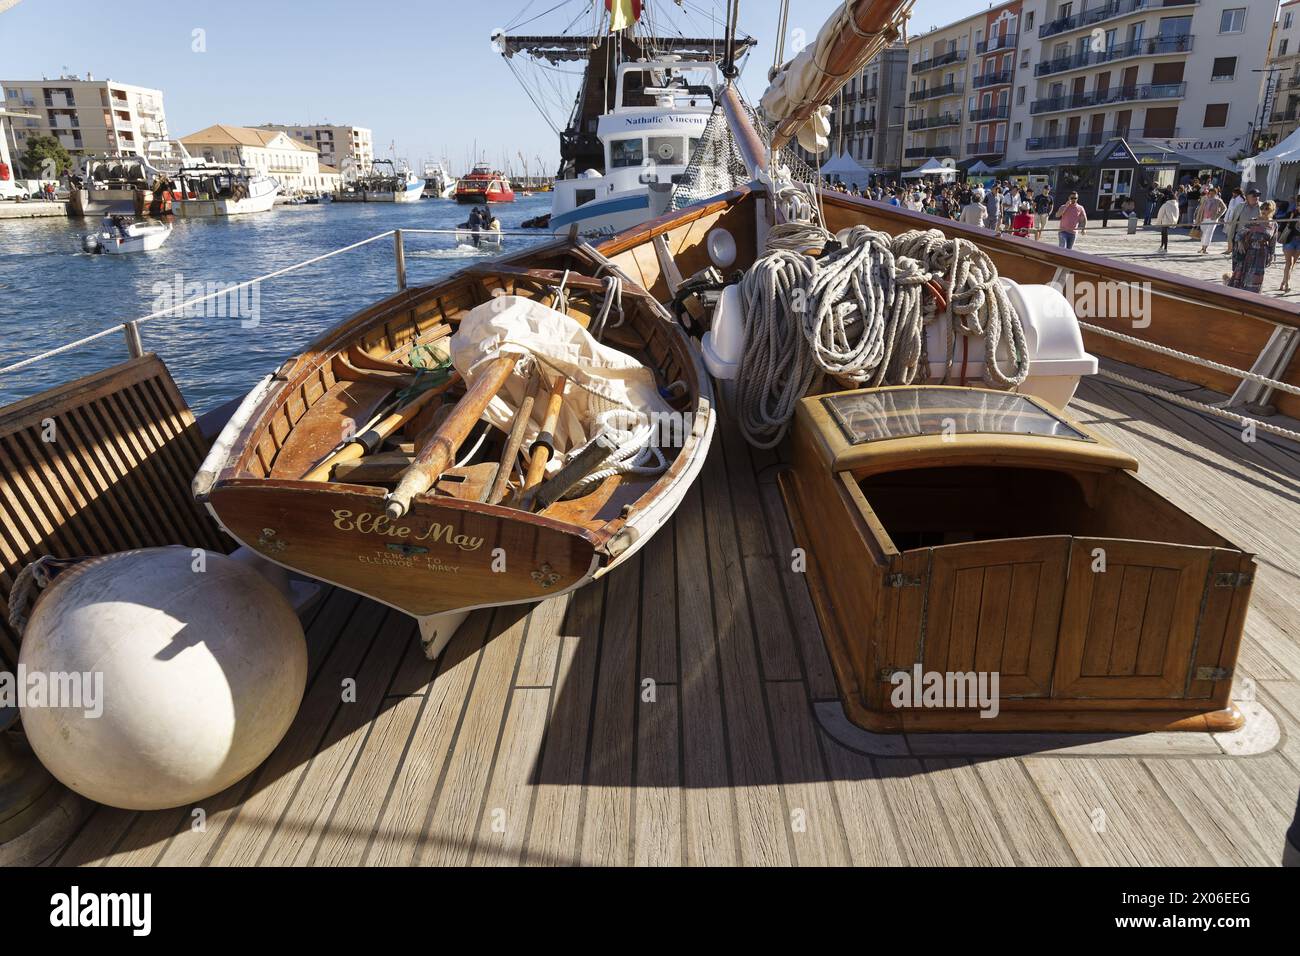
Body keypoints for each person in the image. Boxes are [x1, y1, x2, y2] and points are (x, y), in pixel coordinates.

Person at [1227, 200, 1277, 294]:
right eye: (1262, 208)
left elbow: (1272, 242)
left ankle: (1252, 294)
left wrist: (1271, 255)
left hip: (1262, 253)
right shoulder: (1253, 221)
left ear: (1272, 210)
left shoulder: (1273, 224)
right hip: (1249, 251)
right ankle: (1238, 292)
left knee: (1256, 275)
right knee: (1243, 272)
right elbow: (1239, 235)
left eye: (1267, 209)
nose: (1263, 210)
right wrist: (1240, 243)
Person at [1195, 186, 1227, 255]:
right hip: (1204, 218)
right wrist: (1198, 218)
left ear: (1216, 194)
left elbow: (1224, 208)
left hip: (1212, 219)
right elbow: (1200, 209)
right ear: (1208, 193)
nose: (1211, 194)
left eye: (1213, 193)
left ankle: (1205, 248)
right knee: (1203, 232)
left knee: (1209, 233)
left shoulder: (1218, 200)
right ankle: (1202, 247)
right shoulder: (1205, 199)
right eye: (1210, 193)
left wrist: (1217, 216)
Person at [1279, 195, 1300, 292]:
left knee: (1292, 264)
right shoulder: (1291, 214)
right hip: (1290, 240)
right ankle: (1287, 283)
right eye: (1298, 204)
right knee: (1289, 262)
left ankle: (1284, 280)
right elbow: (1282, 225)